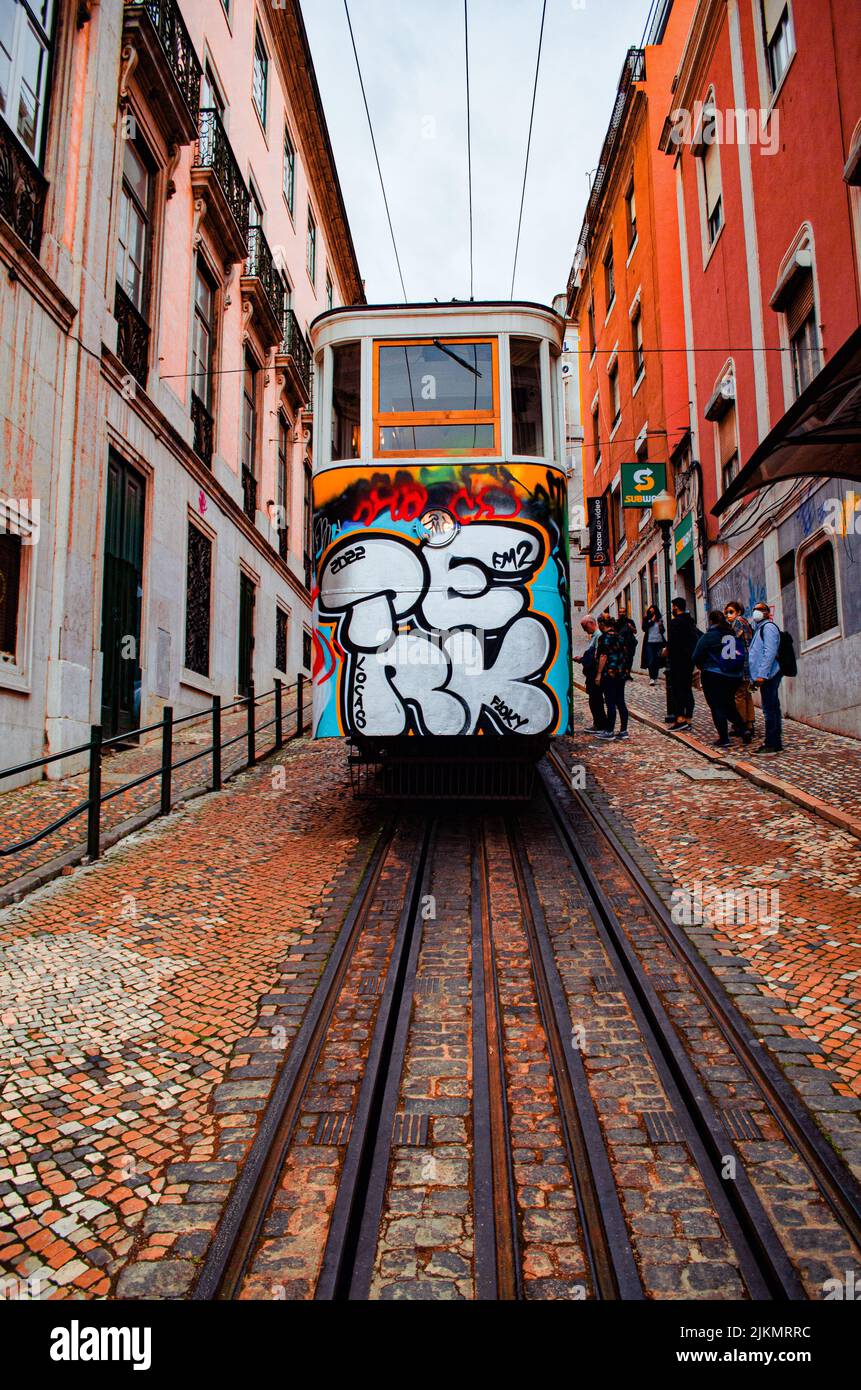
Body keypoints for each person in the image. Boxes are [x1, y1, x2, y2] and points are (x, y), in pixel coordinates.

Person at [692, 610, 748, 747]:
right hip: (734, 676)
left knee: (716, 706)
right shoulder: (731, 634)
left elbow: (695, 656)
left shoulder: (709, 637)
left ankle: (724, 738)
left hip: (714, 675)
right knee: (729, 704)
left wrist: (702, 666)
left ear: (711, 621)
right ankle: (743, 729)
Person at [748, 601, 783, 753]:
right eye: (755, 609)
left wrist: (762, 675)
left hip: (769, 675)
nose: (756, 612)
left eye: (760, 609)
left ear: (767, 612)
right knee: (770, 707)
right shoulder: (760, 629)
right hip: (765, 675)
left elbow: (769, 652)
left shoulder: (768, 628)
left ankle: (772, 743)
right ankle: (773, 741)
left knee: (770, 709)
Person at [664, 597, 700, 731]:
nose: (672, 609)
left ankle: (680, 719)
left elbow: (672, 643)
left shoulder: (675, 623)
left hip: (678, 660)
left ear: (676, 607)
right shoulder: (690, 622)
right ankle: (688, 718)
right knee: (687, 689)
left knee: (678, 690)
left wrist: (666, 652)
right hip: (689, 660)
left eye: (673, 606)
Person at [724, 600, 756, 738]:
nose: (728, 615)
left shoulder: (738, 622)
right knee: (747, 693)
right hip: (748, 661)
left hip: (741, 663)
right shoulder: (745, 622)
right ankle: (749, 723)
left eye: (731, 612)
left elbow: (733, 640)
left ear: (738, 612)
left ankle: (740, 724)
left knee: (739, 695)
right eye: (726, 613)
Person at [595, 616, 630, 740]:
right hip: (621, 673)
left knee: (610, 702)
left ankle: (609, 731)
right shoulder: (620, 637)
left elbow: (603, 656)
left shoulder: (604, 638)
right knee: (620, 701)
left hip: (609, 673)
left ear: (602, 624)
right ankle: (624, 731)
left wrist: (599, 674)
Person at [574, 617, 606, 733]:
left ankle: (600, 724)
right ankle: (599, 724)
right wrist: (582, 659)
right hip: (592, 673)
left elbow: (597, 656)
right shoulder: (595, 637)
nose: (584, 630)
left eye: (585, 627)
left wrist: (598, 674)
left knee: (595, 700)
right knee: (594, 700)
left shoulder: (598, 636)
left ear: (591, 623)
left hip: (594, 674)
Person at [640, 604, 665, 685]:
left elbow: (662, 631)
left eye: (654, 612)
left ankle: (655, 677)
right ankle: (652, 677)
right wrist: (651, 621)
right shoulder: (646, 619)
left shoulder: (659, 619)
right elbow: (644, 628)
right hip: (649, 642)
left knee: (657, 660)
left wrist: (661, 626)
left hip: (659, 642)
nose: (652, 613)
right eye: (651, 612)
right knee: (650, 660)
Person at [617, 605, 638, 681]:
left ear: (625, 613)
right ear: (618, 613)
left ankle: (628, 673)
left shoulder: (630, 621)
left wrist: (631, 627)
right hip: (621, 644)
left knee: (630, 659)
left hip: (631, 643)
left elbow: (635, 631)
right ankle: (623, 673)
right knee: (623, 659)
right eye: (620, 612)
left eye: (623, 612)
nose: (622, 613)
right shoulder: (617, 622)